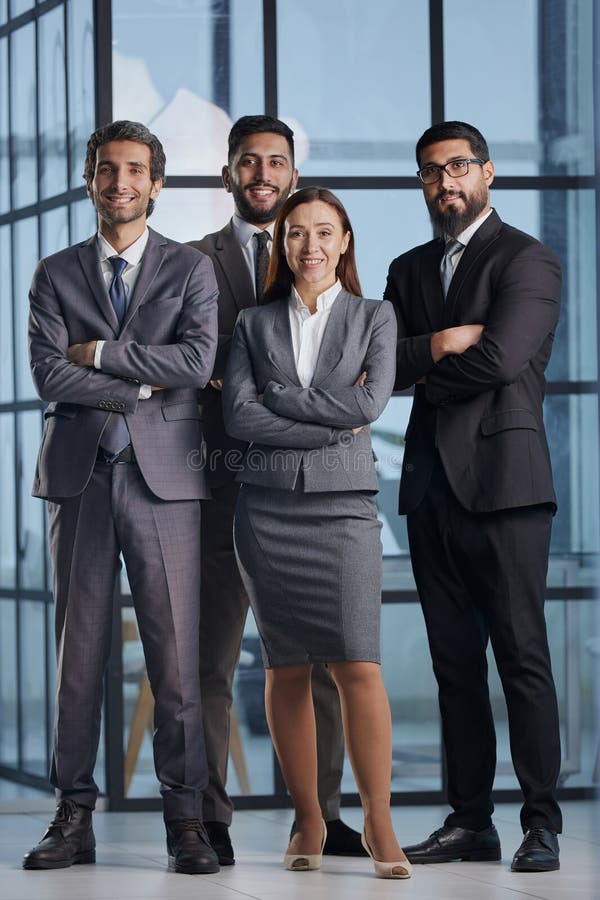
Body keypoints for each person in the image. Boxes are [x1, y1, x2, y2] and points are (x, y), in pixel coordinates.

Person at [24, 120, 220, 875]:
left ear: (157, 183)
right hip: (79, 480)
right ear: (89, 180)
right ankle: (72, 816)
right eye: (107, 170)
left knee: (176, 658)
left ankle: (186, 822)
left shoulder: (190, 271)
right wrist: (148, 376)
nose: (120, 183)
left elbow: (198, 358)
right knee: (79, 658)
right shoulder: (54, 273)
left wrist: (103, 356)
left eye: (135, 170)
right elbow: (48, 376)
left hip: (166, 479)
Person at [385, 120, 562, 873]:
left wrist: (427, 365)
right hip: (430, 490)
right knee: (453, 666)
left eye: (459, 167)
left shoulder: (528, 259)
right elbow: (380, 368)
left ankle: (542, 823)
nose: (445, 182)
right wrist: (431, 352)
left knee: (521, 657)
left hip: (506, 489)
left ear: (488, 173)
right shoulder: (408, 267)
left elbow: (497, 359)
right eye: (431, 172)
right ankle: (469, 820)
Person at [188, 115, 365, 864]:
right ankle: (207, 816)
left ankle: (319, 815)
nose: (263, 173)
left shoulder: (316, 262)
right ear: (229, 172)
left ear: (294, 173)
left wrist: (253, 393)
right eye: (249, 162)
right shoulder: (193, 262)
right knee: (210, 662)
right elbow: (188, 366)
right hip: (217, 484)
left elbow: (355, 379)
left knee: (318, 661)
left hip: (303, 492)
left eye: (277, 162)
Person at [222, 186, 410, 879]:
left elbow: (371, 401)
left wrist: (285, 400)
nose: (309, 246)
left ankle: (380, 824)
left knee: (359, 664)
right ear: (282, 244)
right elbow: (240, 419)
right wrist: (324, 414)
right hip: (267, 512)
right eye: (295, 233)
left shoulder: (376, 317)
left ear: (345, 241)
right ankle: (308, 814)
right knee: (287, 667)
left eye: (323, 232)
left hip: (346, 512)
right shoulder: (251, 324)